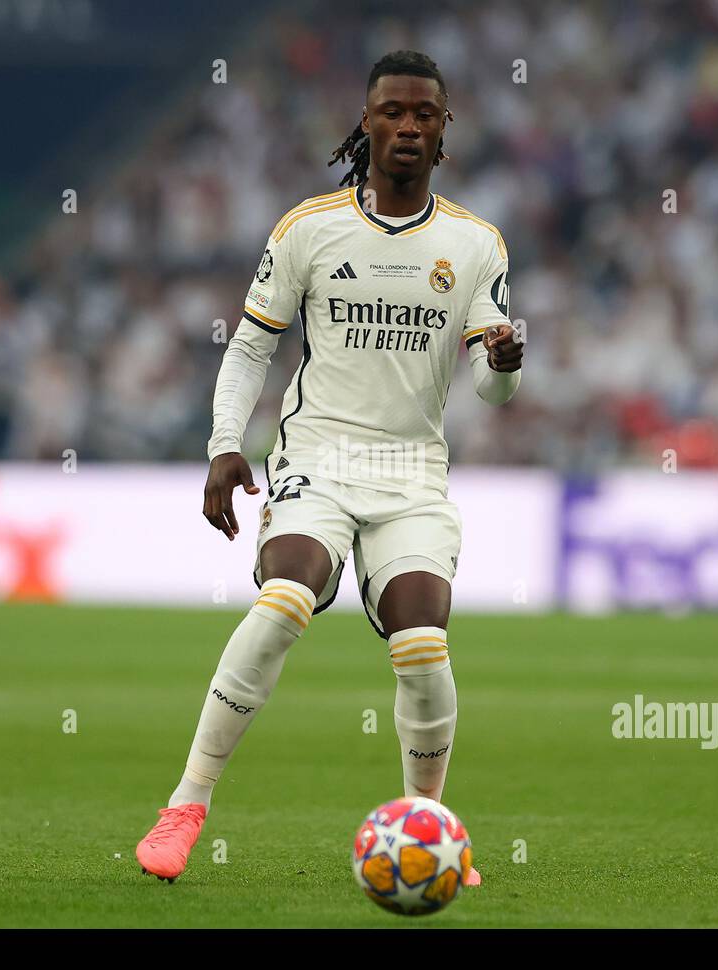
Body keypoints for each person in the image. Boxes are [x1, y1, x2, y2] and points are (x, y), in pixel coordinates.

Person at [136, 50, 523, 885]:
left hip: (412, 471)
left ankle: (431, 825)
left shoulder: (474, 244)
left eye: (425, 113)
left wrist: (506, 361)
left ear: (444, 130)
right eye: (393, 112)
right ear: (367, 122)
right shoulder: (309, 228)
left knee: (423, 645)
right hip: (317, 459)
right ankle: (186, 804)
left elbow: (493, 395)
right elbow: (250, 347)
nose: (409, 126)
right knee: (284, 600)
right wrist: (222, 445)